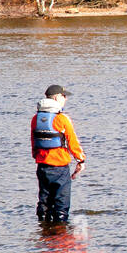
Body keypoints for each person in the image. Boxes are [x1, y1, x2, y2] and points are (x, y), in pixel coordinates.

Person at [31, 84, 85, 224]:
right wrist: (81, 161)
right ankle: (60, 236)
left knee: (44, 202)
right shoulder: (62, 119)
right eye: (64, 96)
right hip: (60, 168)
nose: (65, 99)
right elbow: (73, 143)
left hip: (42, 167)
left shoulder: (35, 119)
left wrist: (39, 158)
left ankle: (43, 230)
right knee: (61, 205)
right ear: (56, 98)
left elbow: (33, 144)